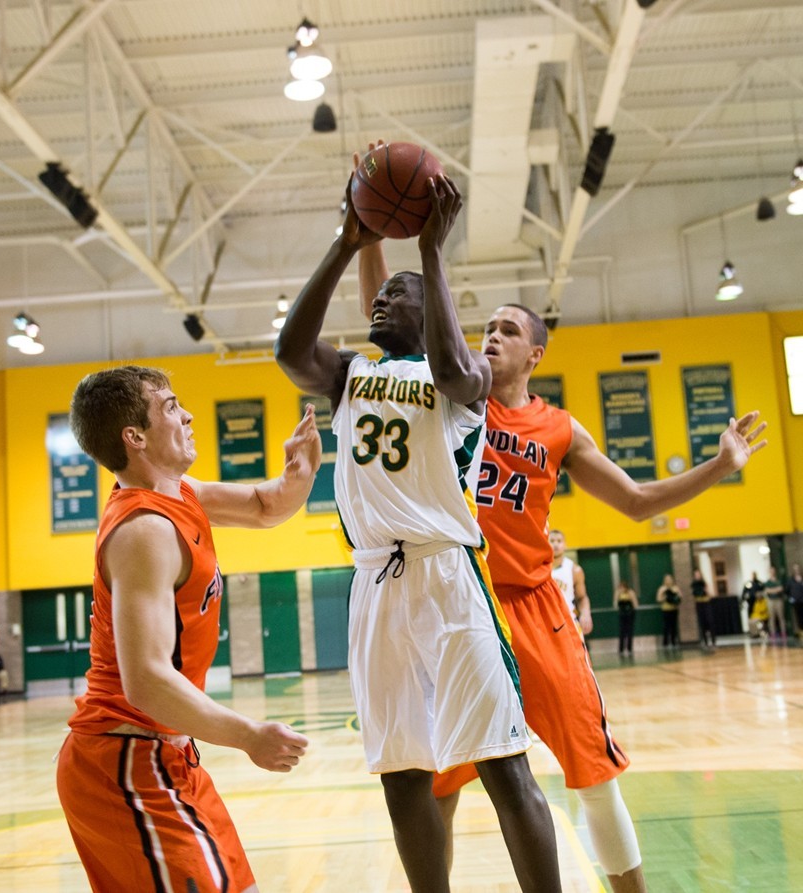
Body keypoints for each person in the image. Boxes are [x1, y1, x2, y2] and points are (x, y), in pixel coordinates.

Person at [356, 197, 768, 893]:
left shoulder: (560, 429)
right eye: (485, 325)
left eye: (507, 329)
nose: (490, 334)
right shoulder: (453, 394)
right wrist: (370, 237)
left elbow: (637, 501)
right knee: (440, 783)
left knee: (592, 772)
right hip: (462, 601)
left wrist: (721, 465)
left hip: (537, 607)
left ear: (535, 352)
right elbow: (387, 323)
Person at [276, 174, 560, 893]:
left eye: (393, 294)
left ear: (427, 309)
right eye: (379, 294)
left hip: (447, 578)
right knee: (402, 776)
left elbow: (454, 364)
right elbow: (289, 351)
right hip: (374, 583)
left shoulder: (462, 380)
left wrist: (432, 251)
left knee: (503, 763)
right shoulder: (349, 375)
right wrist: (347, 244)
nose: (379, 300)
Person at [56, 366, 317, 893]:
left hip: (166, 754)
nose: (188, 414)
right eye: (172, 407)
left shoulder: (180, 493)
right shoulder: (145, 531)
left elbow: (266, 507)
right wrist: (248, 736)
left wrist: (301, 473)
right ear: (136, 437)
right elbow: (146, 680)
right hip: (124, 760)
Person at [549, 529, 592, 637]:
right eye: (552, 541)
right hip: (544, 623)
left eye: (559, 541)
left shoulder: (574, 569)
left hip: (568, 622)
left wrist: (585, 613)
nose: (556, 544)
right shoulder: (537, 568)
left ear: (565, 545)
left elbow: (582, 597)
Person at [656, 574, 682, 650]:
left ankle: (674, 642)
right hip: (666, 609)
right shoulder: (662, 588)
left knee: (674, 626)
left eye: (670, 579)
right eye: (667, 579)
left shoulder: (675, 588)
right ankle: (665, 643)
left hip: (674, 609)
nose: (668, 581)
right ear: (664, 580)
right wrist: (665, 597)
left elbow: (680, 596)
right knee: (666, 627)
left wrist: (675, 598)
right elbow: (658, 599)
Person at [691, 569, 715, 650]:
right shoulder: (694, 585)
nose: (697, 576)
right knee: (702, 622)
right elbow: (693, 596)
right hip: (699, 604)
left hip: (706, 603)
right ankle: (705, 642)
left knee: (710, 621)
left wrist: (706, 590)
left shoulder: (705, 583)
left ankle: (713, 641)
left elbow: (711, 595)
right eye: (696, 574)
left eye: (698, 574)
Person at [614, 580, 639, 658]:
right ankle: (621, 649)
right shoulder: (618, 593)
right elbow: (615, 604)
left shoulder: (630, 592)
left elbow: (635, 604)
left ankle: (629, 649)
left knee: (629, 631)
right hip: (622, 614)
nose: (622, 588)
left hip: (630, 614)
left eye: (623, 587)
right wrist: (618, 595)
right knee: (622, 631)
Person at [763, 566, 787, 642]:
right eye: (771, 571)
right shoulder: (767, 582)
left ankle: (783, 633)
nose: (772, 572)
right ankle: (773, 634)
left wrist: (772, 590)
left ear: (775, 571)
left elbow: (781, 589)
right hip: (771, 601)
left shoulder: (778, 581)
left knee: (781, 617)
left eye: (773, 570)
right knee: (772, 618)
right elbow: (767, 591)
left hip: (778, 600)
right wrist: (775, 590)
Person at [788, 563, 803, 639]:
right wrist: (791, 598)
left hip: (802, 599)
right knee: (798, 617)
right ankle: (800, 632)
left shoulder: (801, 578)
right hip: (796, 601)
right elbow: (787, 590)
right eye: (795, 569)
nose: (796, 570)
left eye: (797, 568)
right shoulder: (791, 580)